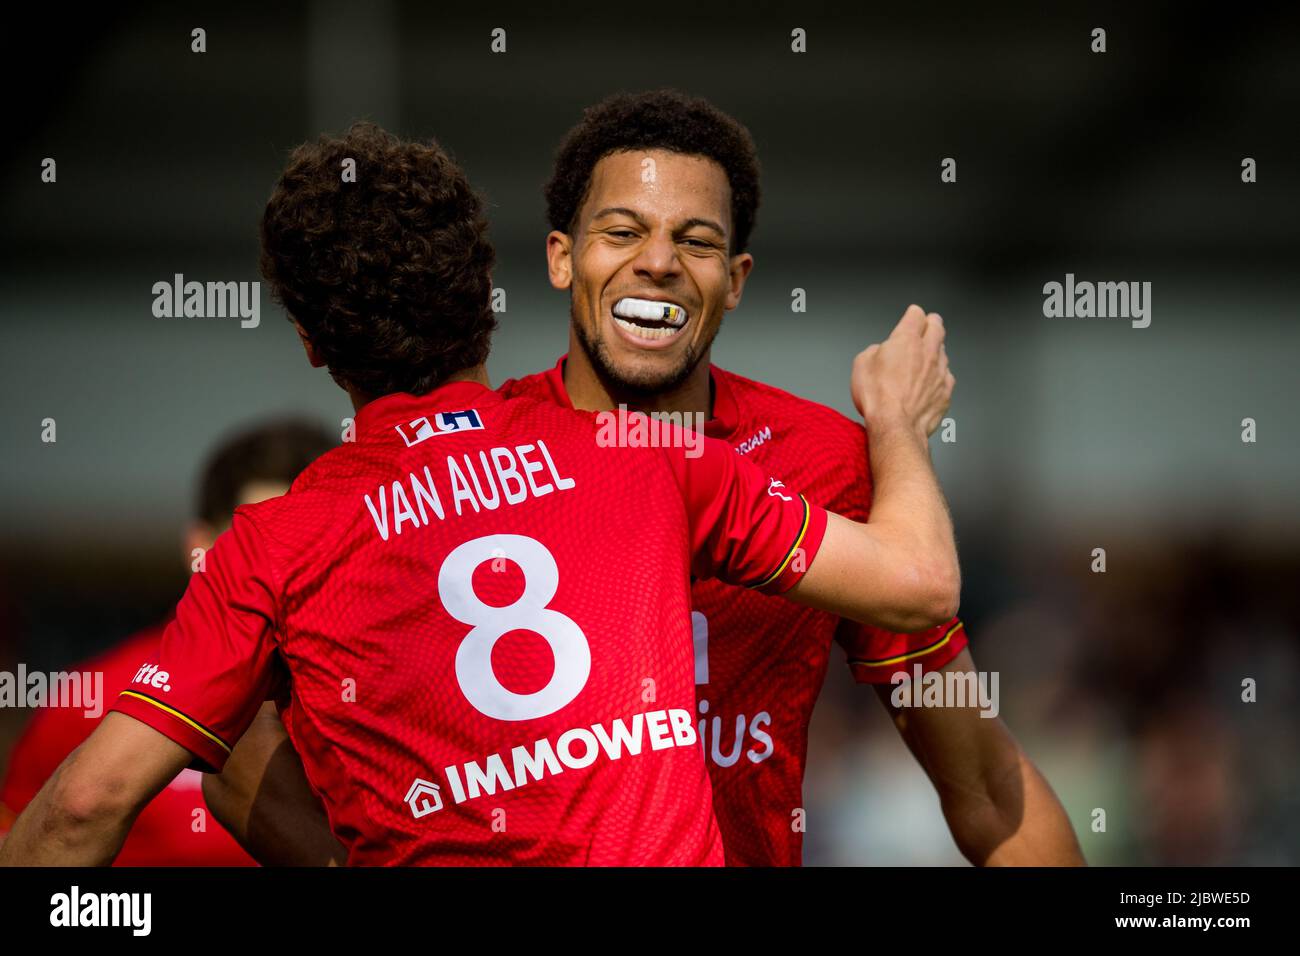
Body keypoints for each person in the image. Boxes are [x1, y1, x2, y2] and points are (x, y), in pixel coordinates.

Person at [0, 122, 957, 867]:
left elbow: (88, 803)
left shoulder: (272, 542)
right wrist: (900, 428)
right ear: (488, 290)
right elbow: (918, 581)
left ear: (309, 341)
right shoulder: (641, 454)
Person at [206, 92, 1083, 866]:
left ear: (734, 281)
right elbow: (240, 743)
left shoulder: (824, 465)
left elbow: (989, 788)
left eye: (694, 241)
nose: (658, 261)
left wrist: (892, 435)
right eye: (622, 231)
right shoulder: (470, 467)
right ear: (561, 259)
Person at [0, 419, 334, 865]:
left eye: (308, 548)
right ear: (199, 549)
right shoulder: (89, 701)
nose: (279, 573)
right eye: (252, 549)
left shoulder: (388, 699)